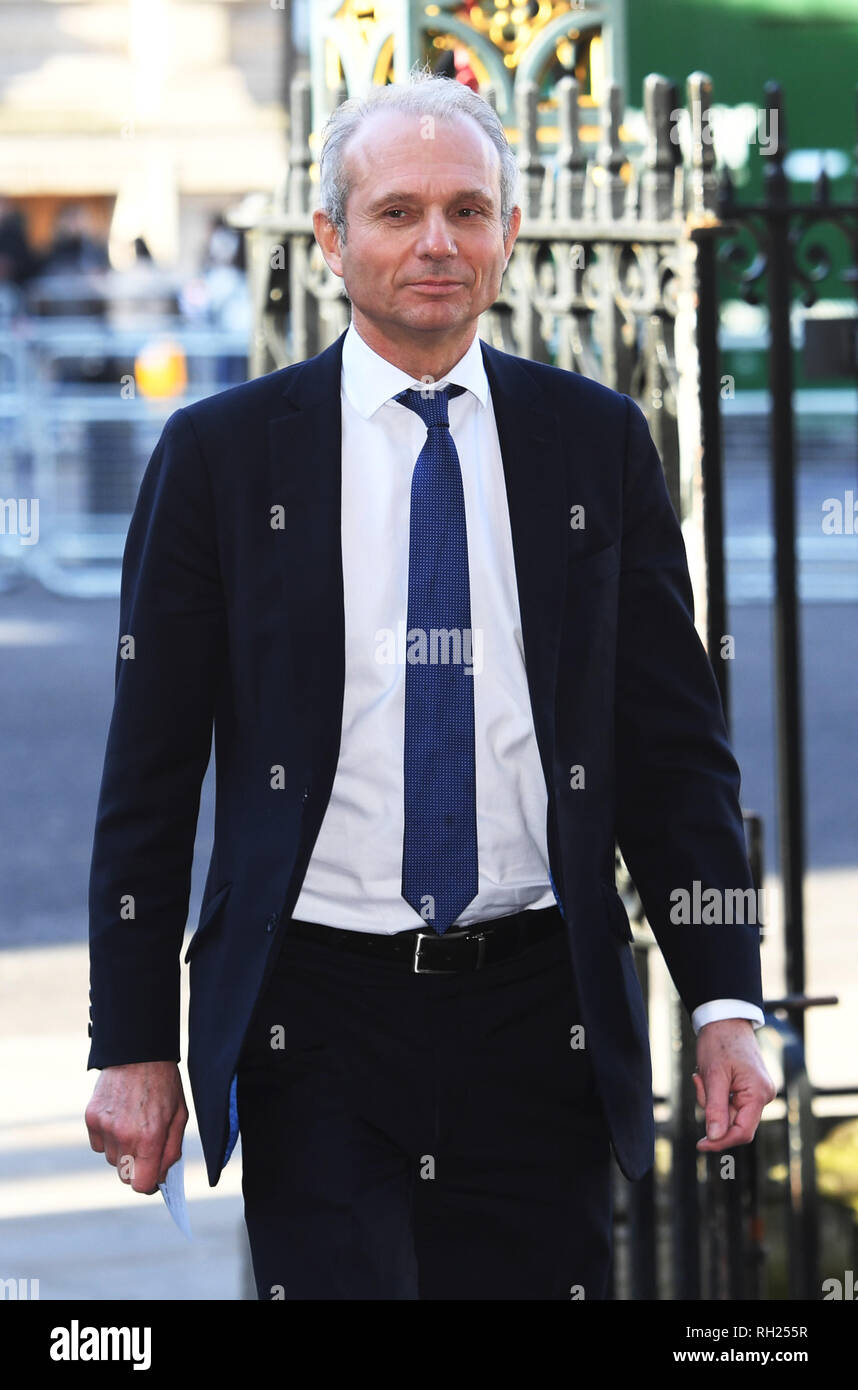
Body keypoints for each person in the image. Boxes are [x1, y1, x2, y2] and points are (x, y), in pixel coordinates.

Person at [85, 73, 775, 1301]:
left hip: (540, 1009)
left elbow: (673, 752)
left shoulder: (596, 442)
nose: (438, 243)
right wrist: (131, 1043)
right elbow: (147, 778)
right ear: (332, 240)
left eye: (468, 209)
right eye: (399, 212)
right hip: (317, 1015)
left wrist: (724, 995)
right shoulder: (224, 458)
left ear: (510, 232)